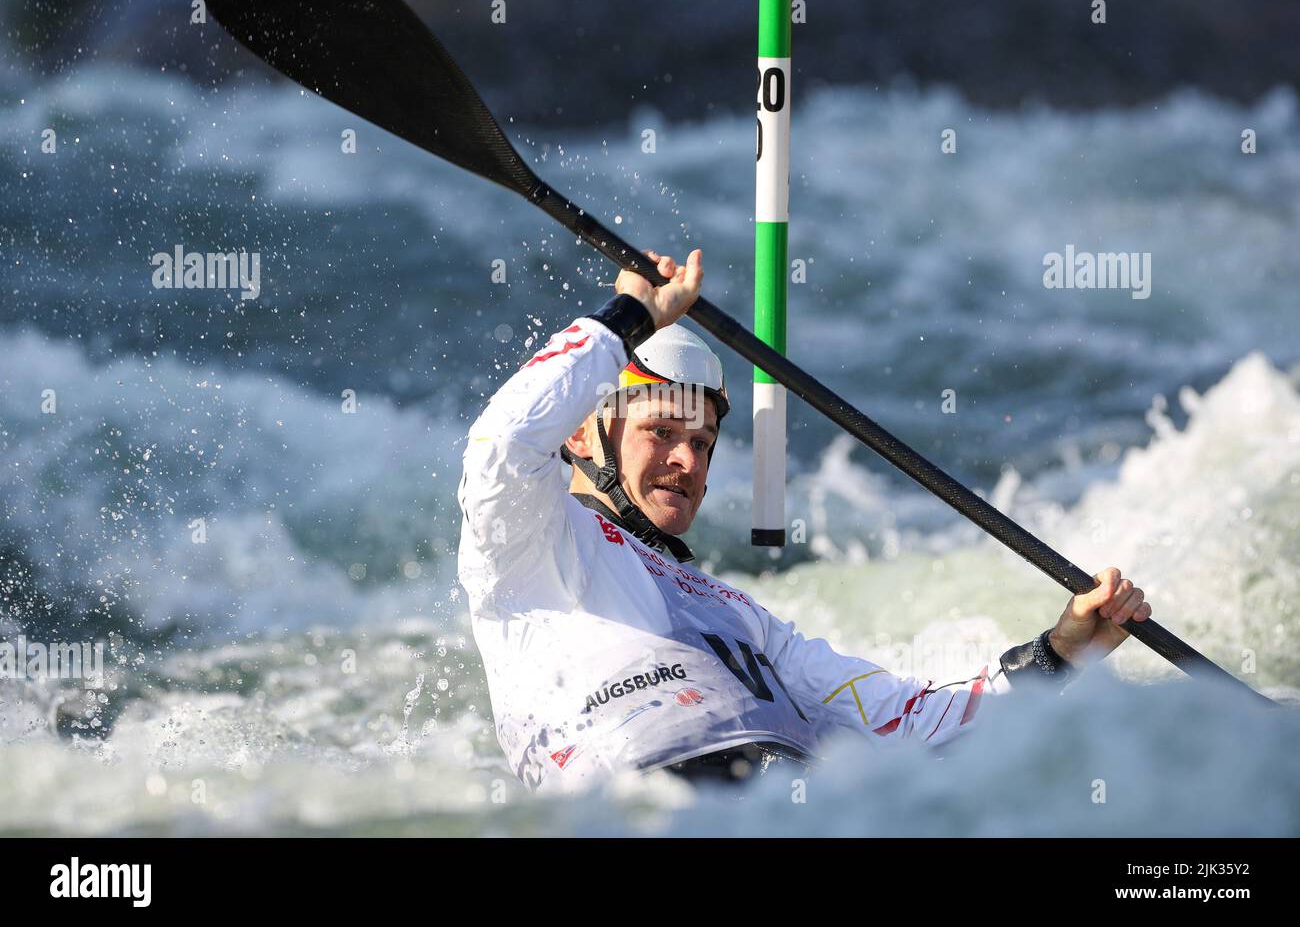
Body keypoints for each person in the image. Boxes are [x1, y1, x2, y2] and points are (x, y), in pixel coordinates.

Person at [457, 247, 1153, 793]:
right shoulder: (534, 543)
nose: (686, 461)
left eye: (701, 443)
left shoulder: (741, 614)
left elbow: (908, 721)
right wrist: (628, 318)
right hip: (655, 809)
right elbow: (503, 441)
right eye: (661, 432)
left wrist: (1062, 651)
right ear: (584, 436)